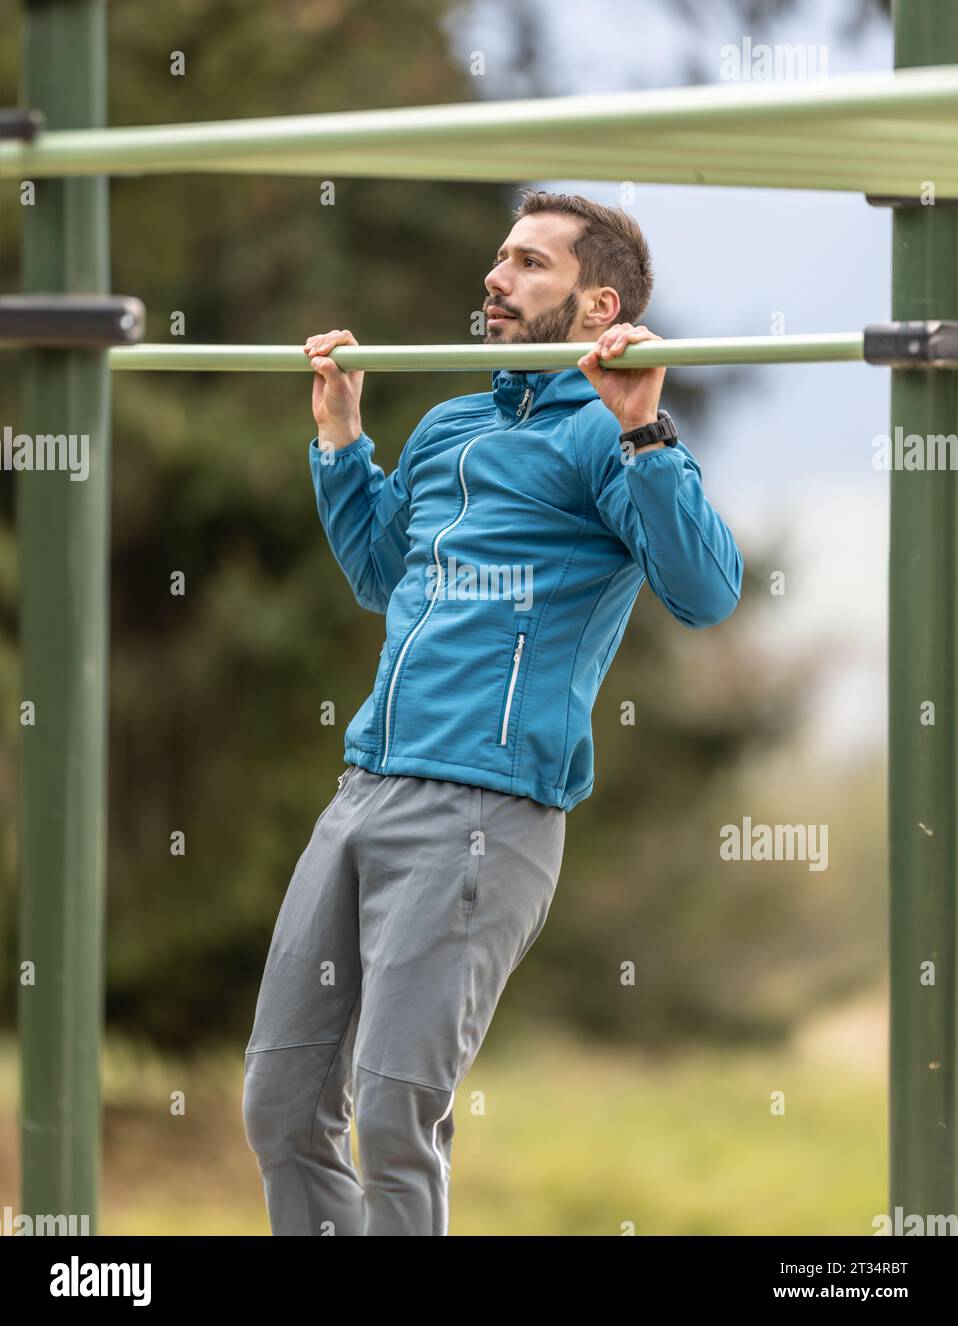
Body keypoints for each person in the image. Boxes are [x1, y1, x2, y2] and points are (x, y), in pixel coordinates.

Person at [242, 189, 744, 1236]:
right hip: (364, 789)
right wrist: (341, 443)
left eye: (526, 264)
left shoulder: (604, 437)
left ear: (596, 300)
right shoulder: (447, 427)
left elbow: (705, 591)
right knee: (281, 1106)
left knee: (391, 1116)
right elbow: (385, 577)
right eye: (497, 260)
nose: (493, 278)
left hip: (484, 811)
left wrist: (644, 424)